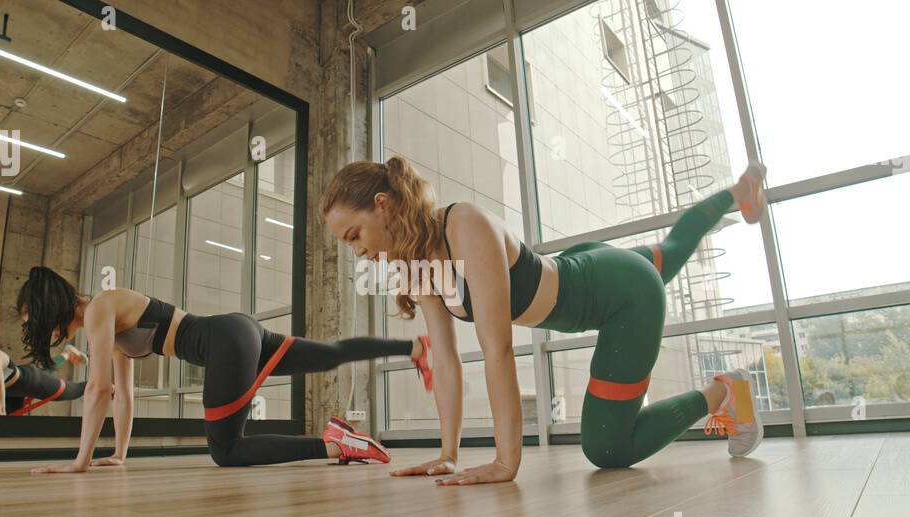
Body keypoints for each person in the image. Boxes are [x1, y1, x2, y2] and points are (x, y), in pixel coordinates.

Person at [321, 155, 768, 485]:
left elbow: (497, 352)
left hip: (621, 295)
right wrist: (448, 453)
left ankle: (725, 391)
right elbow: (447, 363)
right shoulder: (415, 262)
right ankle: (741, 191)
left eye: (353, 235)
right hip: (585, 267)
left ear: (382, 205)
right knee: (670, 251)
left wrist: (505, 463)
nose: (356, 250)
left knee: (608, 449)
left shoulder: (464, 226)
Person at [14, 267, 431, 473]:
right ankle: (414, 347)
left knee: (226, 451)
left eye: (28, 315)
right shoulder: (104, 320)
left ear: (46, 309)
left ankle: (338, 444)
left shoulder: (99, 310)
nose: (26, 325)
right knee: (327, 354)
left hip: (224, 342)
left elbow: (97, 391)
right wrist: (119, 454)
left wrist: (80, 462)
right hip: (234, 331)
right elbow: (121, 393)